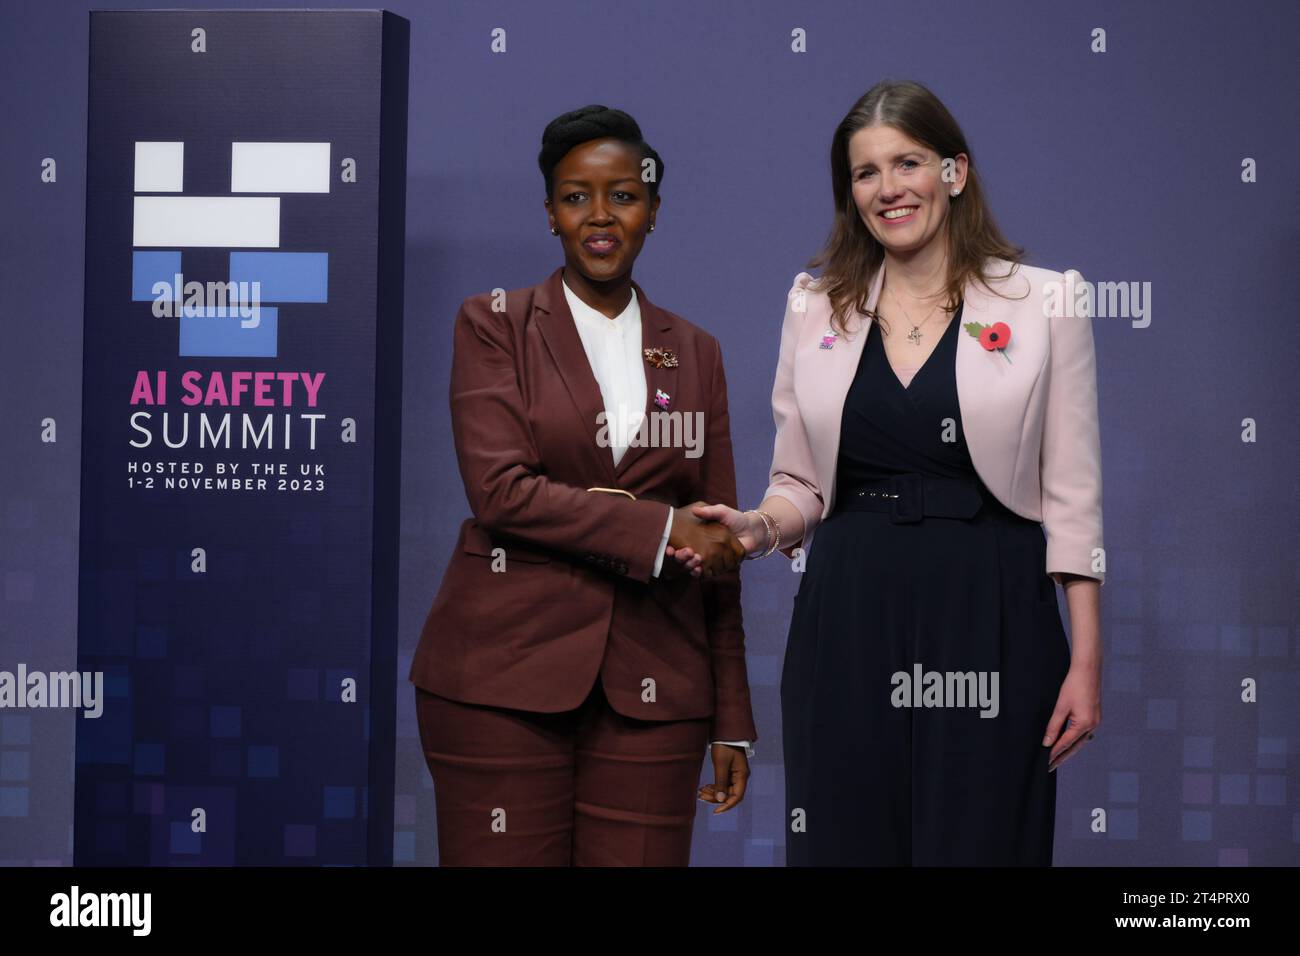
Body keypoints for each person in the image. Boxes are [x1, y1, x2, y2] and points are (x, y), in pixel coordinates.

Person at [672, 80, 1104, 865]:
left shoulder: (1047, 301)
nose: (888, 188)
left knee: (979, 842)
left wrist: (1086, 662)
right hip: (849, 609)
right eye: (865, 173)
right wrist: (756, 526)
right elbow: (801, 482)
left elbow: (1073, 496)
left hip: (992, 606)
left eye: (908, 162)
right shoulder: (814, 305)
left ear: (955, 172)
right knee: (844, 839)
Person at [409, 105, 755, 866]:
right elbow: (501, 491)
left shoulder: (696, 351)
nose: (600, 216)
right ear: (550, 215)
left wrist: (732, 714)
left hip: (656, 686)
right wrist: (660, 531)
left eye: (624, 195)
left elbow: (718, 540)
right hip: (502, 676)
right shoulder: (495, 323)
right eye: (575, 197)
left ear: (654, 211)